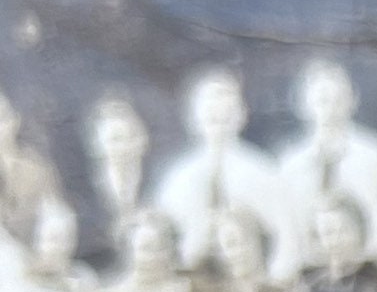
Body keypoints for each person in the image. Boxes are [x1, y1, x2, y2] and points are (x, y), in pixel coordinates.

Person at [153, 67, 290, 275]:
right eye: (210, 115)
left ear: (241, 115)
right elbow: (161, 243)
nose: (218, 122)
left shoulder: (262, 172)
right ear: (193, 117)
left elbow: (286, 240)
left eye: (225, 114)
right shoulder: (177, 178)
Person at [274, 58, 377, 274]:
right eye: (322, 100)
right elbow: (288, 234)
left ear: (353, 100)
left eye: (338, 99)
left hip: (366, 270)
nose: (330, 109)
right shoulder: (290, 165)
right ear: (304, 105)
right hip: (308, 274)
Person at [79, 93, 152, 265]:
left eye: (131, 137)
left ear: (142, 139)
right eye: (115, 140)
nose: (124, 148)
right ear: (96, 145)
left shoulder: (157, 181)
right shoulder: (84, 190)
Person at [0, 90, 63, 255]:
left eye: (1, 118)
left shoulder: (38, 169)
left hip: (31, 259)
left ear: (15, 120)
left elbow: (55, 216)